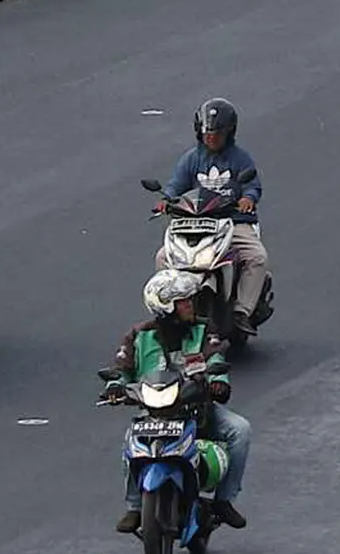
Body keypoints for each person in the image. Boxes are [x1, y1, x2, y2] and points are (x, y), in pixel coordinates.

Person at [106, 270, 252, 534]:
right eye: (183, 301)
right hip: (153, 413)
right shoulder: (139, 336)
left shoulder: (204, 329)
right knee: (131, 444)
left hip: (198, 408)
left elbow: (216, 358)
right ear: (166, 307)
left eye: (189, 300)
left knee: (240, 429)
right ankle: (135, 507)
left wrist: (218, 381)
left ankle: (224, 501)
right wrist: (115, 386)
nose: (190, 305)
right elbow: (121, 366)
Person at [162, 99, 269, 335]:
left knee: (257, 257)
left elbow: (252, 185)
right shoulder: (190, 159)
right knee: (163, 257)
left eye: (217, 133)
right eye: (207, 132)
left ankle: (242, 311)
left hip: (232, 222)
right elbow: (174, 186)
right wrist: (165, 200)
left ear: (229, 133)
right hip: (195, 224)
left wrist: (248, 198)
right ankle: (167, 306)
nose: (212, 137)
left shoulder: (240, 158)